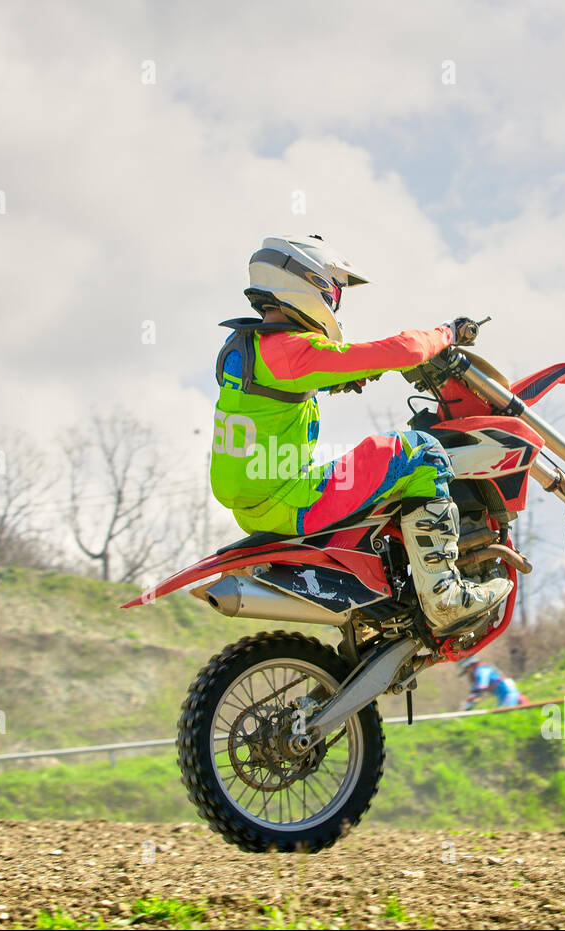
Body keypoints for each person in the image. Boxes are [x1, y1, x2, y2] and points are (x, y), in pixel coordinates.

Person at [209, 234, 512, 634]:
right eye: (332, 290)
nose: (334, 302)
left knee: (376, 467)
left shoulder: (244, 347)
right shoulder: (293, 350)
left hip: (253, 505)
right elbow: (400, 351)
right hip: (290, 500)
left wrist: (334, 381)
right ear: (307, 284)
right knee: (422, 451)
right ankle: (445, 595)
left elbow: (273, 396)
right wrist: (446, 334)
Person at [461, 657, 528, 710]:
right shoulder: (478, 674)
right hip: (504, 696)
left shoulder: (482, 671)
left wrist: (471, 701)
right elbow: (474, 690)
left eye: (467, 670)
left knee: (504, 714)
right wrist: (468, 704)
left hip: (510, 695)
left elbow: (481, 687)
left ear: (471, 665)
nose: (468, 673)